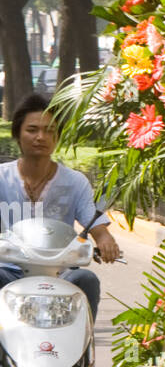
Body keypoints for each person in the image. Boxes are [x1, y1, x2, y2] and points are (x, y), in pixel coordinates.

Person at [0, 93, 120, 318]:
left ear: (58, 137)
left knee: (86, 279)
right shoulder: (1, 178)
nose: (41, 137)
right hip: (8, 272)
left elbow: (95, 225)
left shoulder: (75, 182)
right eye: (32, 129)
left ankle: (81, 350)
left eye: (50, 130)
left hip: (59, 274)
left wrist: (105, 240)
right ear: (17, 134)